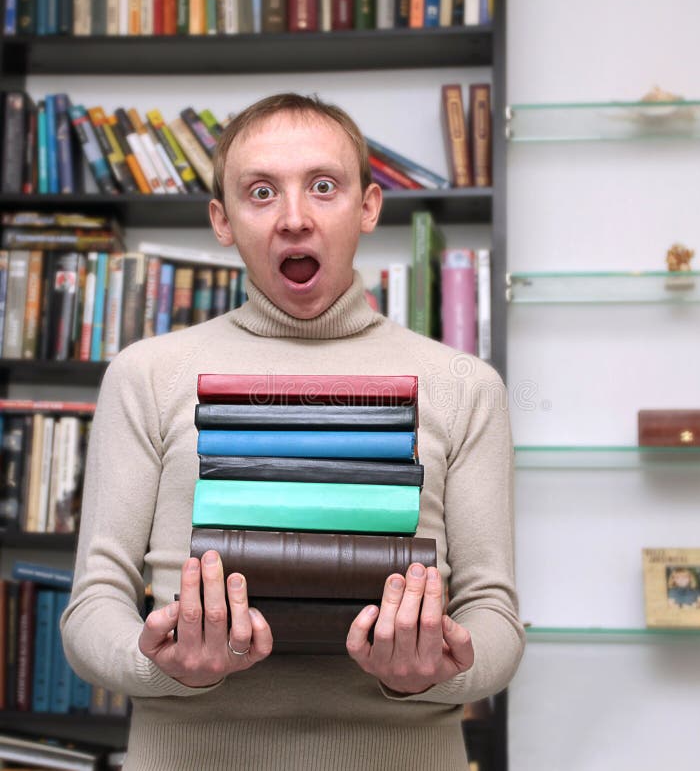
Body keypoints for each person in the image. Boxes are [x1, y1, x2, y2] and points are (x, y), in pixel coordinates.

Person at [61, 92, 524, 770]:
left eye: (324, 186)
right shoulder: (146, 375)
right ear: (222, 220)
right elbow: (92, 606)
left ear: (369, 206)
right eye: (260, 192)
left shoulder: (464, 386)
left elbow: (496, 619)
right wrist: (166, 664)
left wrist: (429, 672)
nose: (294, 219)